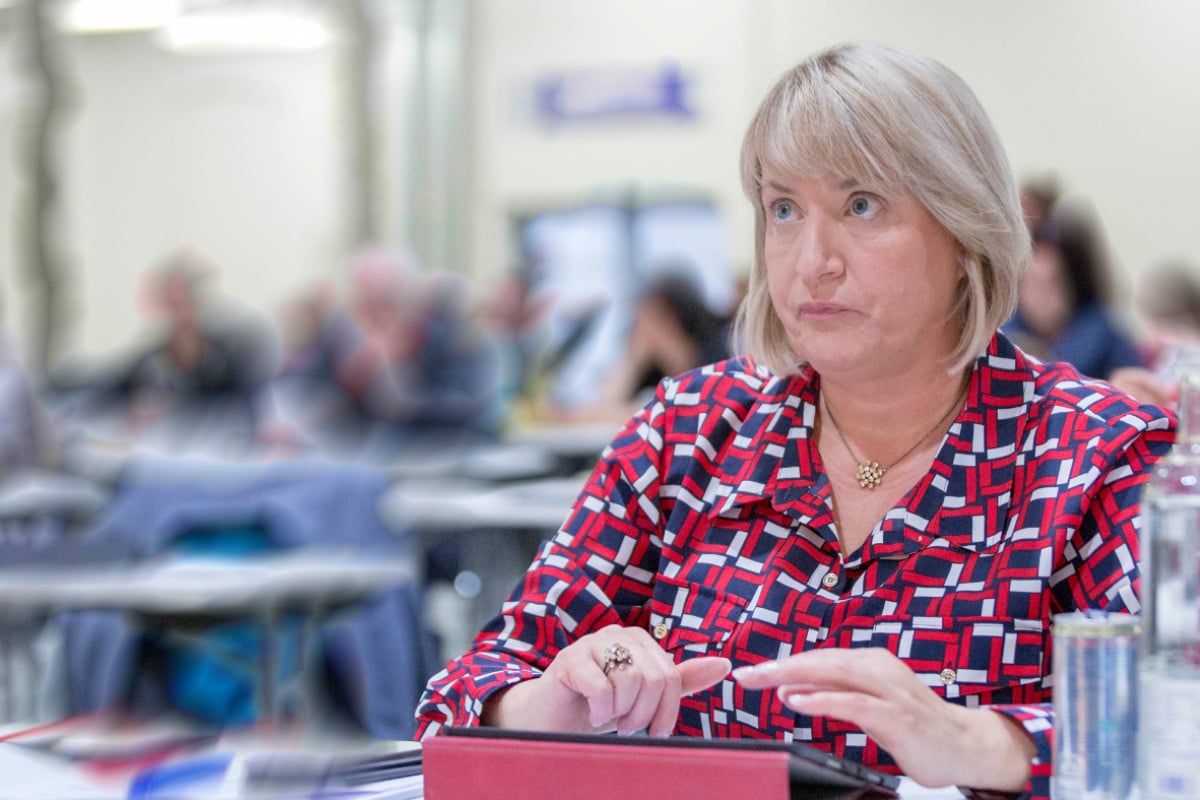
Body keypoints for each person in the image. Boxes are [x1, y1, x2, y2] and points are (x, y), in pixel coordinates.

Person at [414, 43, 1175, 799]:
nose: (812, 260)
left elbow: (1177, 731)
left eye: (862, 205)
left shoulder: (1095, 456)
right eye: (783, 209)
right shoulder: (689, 432)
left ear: (965, 232)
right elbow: (457, 701)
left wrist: (985, 742)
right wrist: (548, 705)